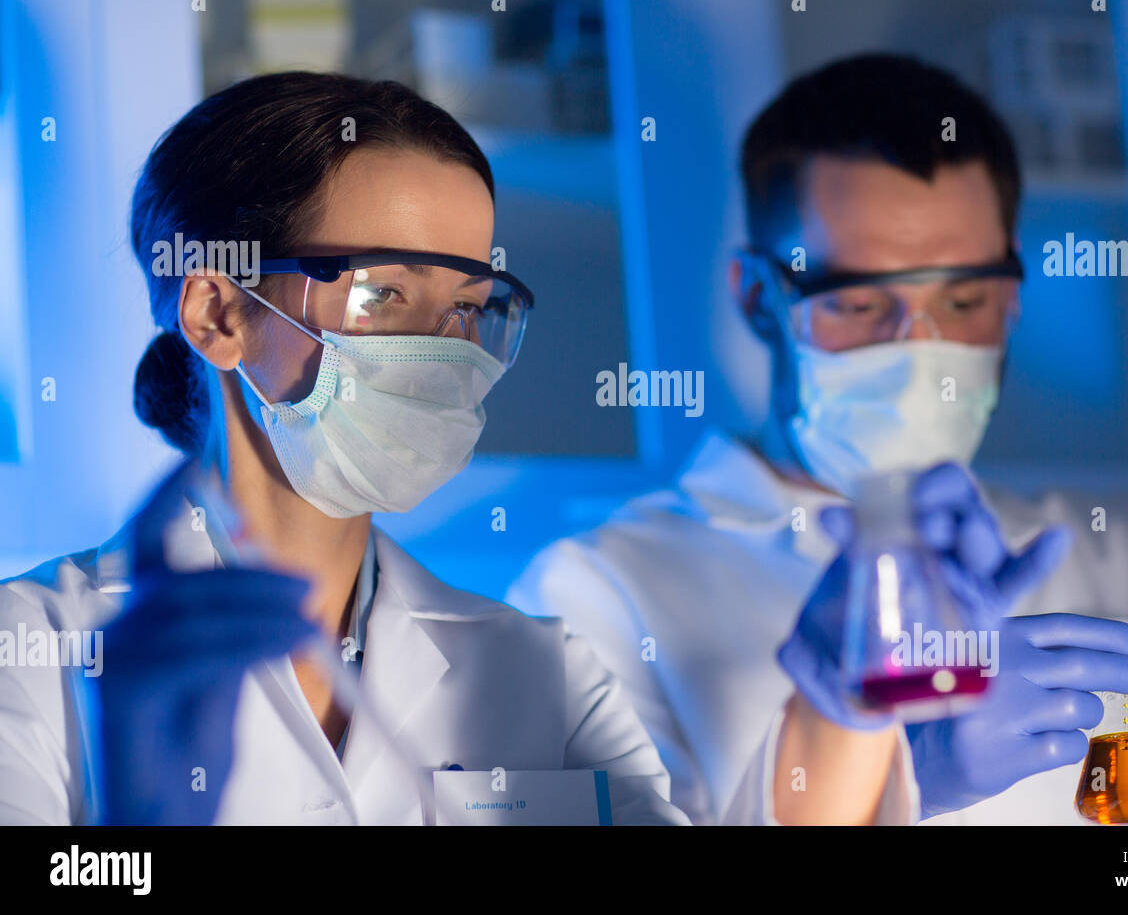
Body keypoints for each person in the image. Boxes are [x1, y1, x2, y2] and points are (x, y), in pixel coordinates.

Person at [508, 54, 1128, 825]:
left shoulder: (1101, 551)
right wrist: (905, 777)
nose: (921, 349)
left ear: (1015, 300)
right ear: (758, 298)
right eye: (859, 303)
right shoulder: (592, 599)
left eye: (964, 301)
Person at [0, 71, 707, 825]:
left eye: (468, 308)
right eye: (383, 294)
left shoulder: (543, 671)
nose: (445, 353)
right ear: (218, 312)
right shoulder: (32, 650)